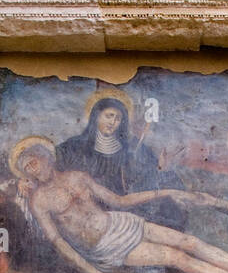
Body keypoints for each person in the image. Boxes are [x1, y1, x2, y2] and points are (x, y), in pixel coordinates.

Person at [14, 140, 228, 273]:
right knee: (177, 258)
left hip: (121, 223)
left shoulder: (78, 177)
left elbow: (119, 200)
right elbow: (59, 243)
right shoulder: (40, 200)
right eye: (26, 167)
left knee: (189, 241)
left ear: (46, 157)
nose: (32, 169)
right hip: (105, 246)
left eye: (33, 161)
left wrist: (164, 192)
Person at [56, 95, 186, 229]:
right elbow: (55, 167)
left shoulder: (132, 147)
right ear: (96, 116)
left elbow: (146, 177)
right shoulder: (74, 146)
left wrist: (161, 167)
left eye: (117, 118)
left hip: (124, 203)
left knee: (170, 212)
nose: (112, 122)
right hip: (89, 204)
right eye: (109, 116)